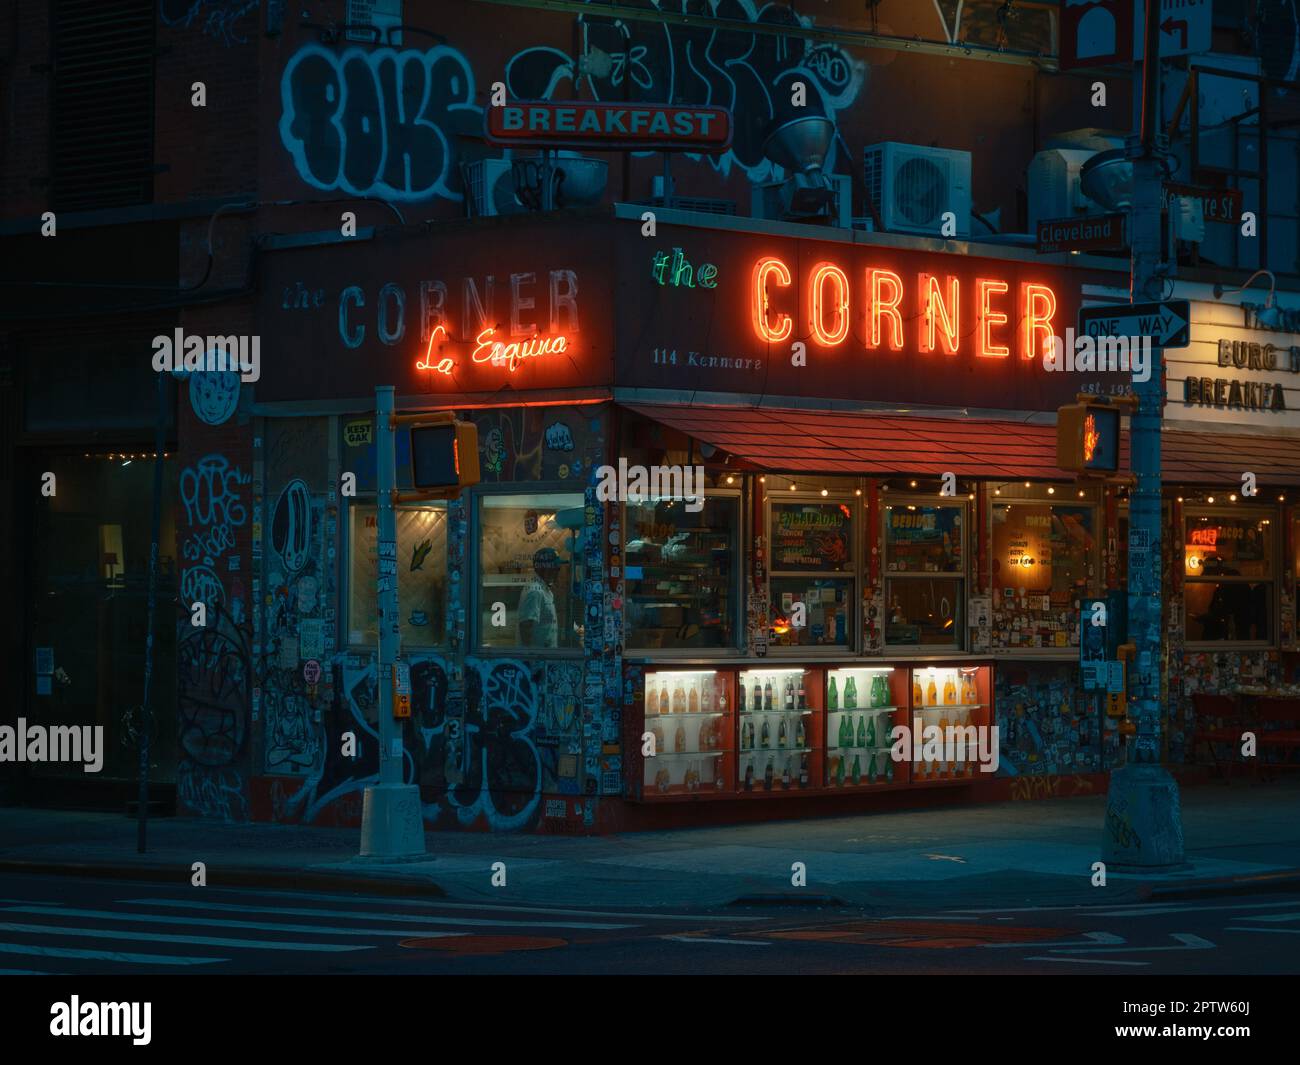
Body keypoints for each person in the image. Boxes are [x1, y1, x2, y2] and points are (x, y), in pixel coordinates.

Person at [517, 547, 561, 648]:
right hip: (538, 659)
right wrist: (532, 660)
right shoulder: (535, 591)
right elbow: (526, 628)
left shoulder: (544, 587)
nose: (558, 572)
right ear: (544, 568)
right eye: (556, 568)